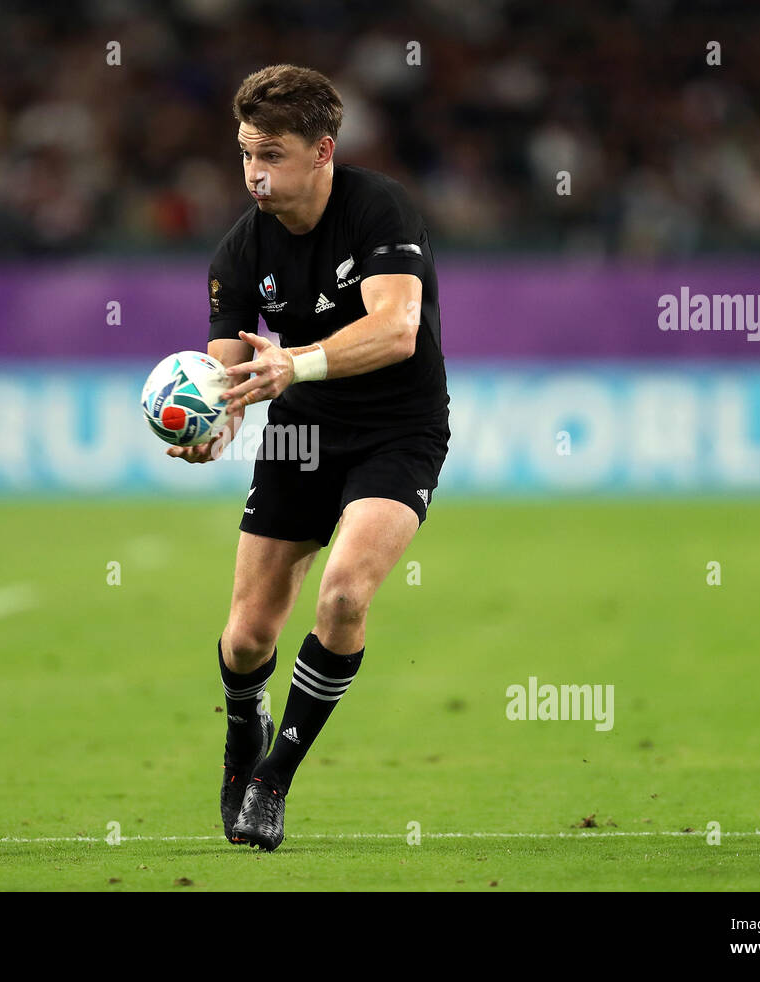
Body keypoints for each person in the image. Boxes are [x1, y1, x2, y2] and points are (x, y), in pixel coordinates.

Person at [167, 64, 451, 851]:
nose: (254, 172)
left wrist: (297, 362)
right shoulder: (238, 248)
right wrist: (212, 425)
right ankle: (241, 732)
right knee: (249, 636)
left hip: (400, 431)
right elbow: (225, 375)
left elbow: (397, 330)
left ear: (322, 151)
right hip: (302, 435)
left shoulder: (381, 211)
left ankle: (272, 779)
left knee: (344, 597)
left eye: (272, 154)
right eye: (245, 154)